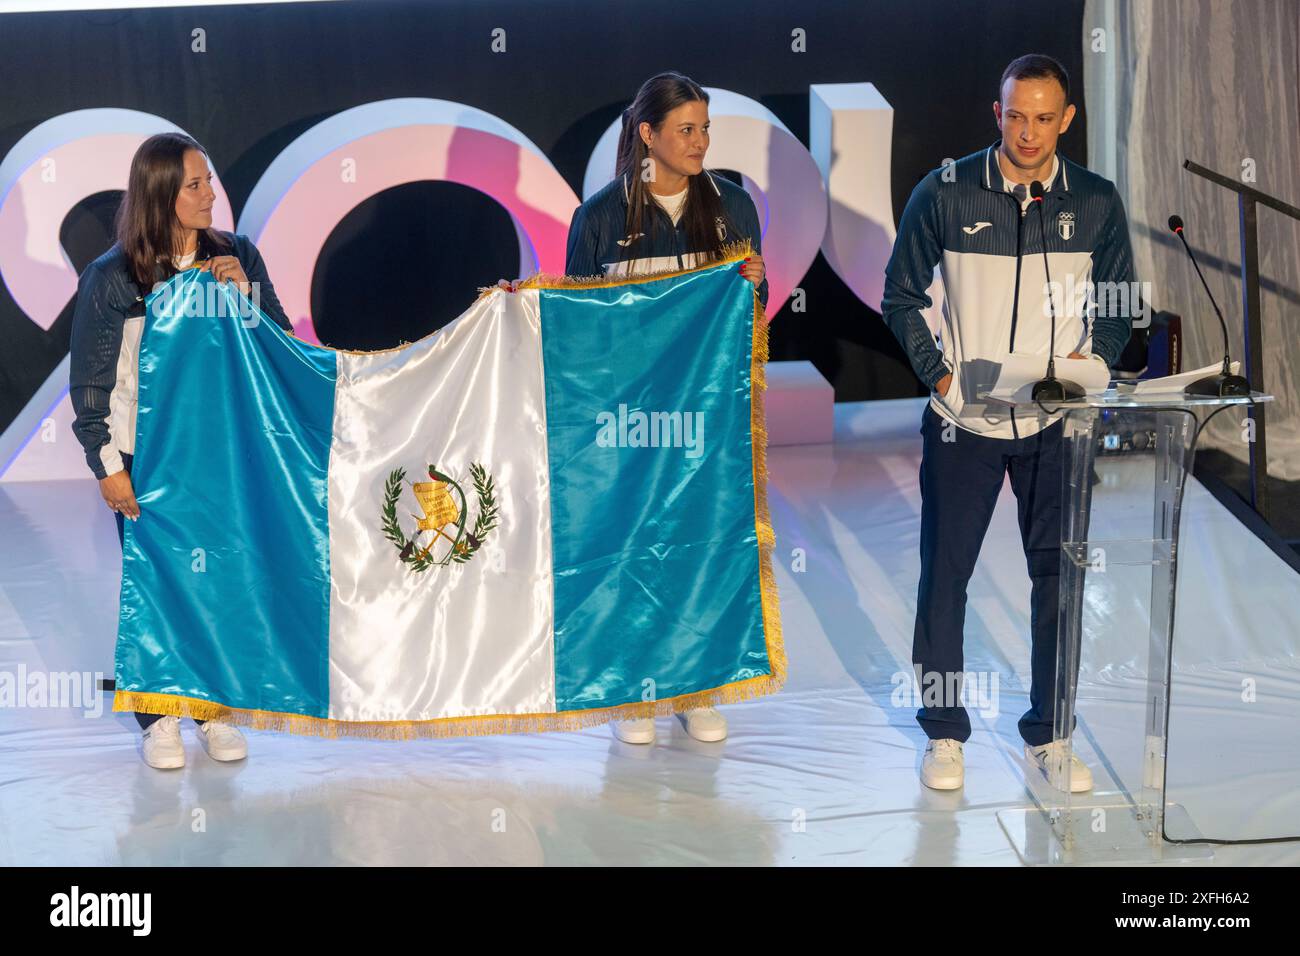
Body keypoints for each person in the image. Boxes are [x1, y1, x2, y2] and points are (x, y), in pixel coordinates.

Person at [881, 54, 1135, 791]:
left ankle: (1050, 736)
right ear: (998, 114)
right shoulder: (948, 189)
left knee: (1058, 577)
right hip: (965, 421)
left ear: (1067, 119)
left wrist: (1094, 361)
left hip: (1056, 423)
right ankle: (943, 734)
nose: (1028, 132)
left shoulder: (1094, 199)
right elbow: (900, 295)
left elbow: (1120, 298)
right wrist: (943, 377)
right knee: (945, 579)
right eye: (1015, 116)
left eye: (1044, 117)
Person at [69, 132, 293, 769]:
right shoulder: (113, 276)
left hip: (222, 458)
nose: (210, 194)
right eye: (194, 185)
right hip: (148, 460)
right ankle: (158, 719)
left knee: (220, 580)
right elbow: (91, 381)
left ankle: (213, 709)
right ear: (162, 195)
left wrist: (244, 295)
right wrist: (106, 466)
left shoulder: (237, 254)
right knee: (158, 586)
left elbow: (282, 347)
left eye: (209, 181)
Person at [563, 70, 768, 745]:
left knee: (700, 546)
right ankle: (633, 690)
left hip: (706, 422)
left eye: (705, 128)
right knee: (628, 549)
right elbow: (579, 326)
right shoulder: (597, 218)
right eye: (686, 129)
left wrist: (755, 291)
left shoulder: (735, 209)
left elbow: (748, 323)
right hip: (625, 425)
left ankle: (695, 685)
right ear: (647, 134)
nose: (700, 141)